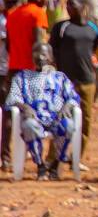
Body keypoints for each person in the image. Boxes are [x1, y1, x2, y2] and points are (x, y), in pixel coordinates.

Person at [3, 41, 80, 179]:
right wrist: (24, 107)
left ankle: (55, 165)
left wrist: (67, 106)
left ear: (51, 57)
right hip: (34, 119)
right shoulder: (22, 77)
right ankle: (41, 166)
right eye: (36, 54)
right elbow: (12, 98)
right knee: (29, 126)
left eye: (43, 54)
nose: (40, 57)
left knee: (68, 125)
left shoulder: (60, 78)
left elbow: (73, 97)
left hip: (56, 118)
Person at [50, 0, 98, 152]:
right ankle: (54, 158)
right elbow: (54, 50)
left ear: (83, 6)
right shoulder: (61, 27)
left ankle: (78, 157)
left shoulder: (94, 28)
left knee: (86, 121)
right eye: (68, 4)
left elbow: (94, 49)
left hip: (87, 81)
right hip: (65, 83)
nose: (69, 7)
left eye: (73, 4)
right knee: (60, 119)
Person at [6, 0, 50, 76]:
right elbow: (38, 45)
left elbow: (8, 45)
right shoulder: (38, 13)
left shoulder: (12, 14)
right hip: (31, 70)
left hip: (13, 69)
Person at [0, 0, 16, 167]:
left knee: (9, 115)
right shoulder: (4, 21)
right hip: (4, 71)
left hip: (10, 71)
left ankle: (5, 156)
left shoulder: (14, 19)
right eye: (9, 2)